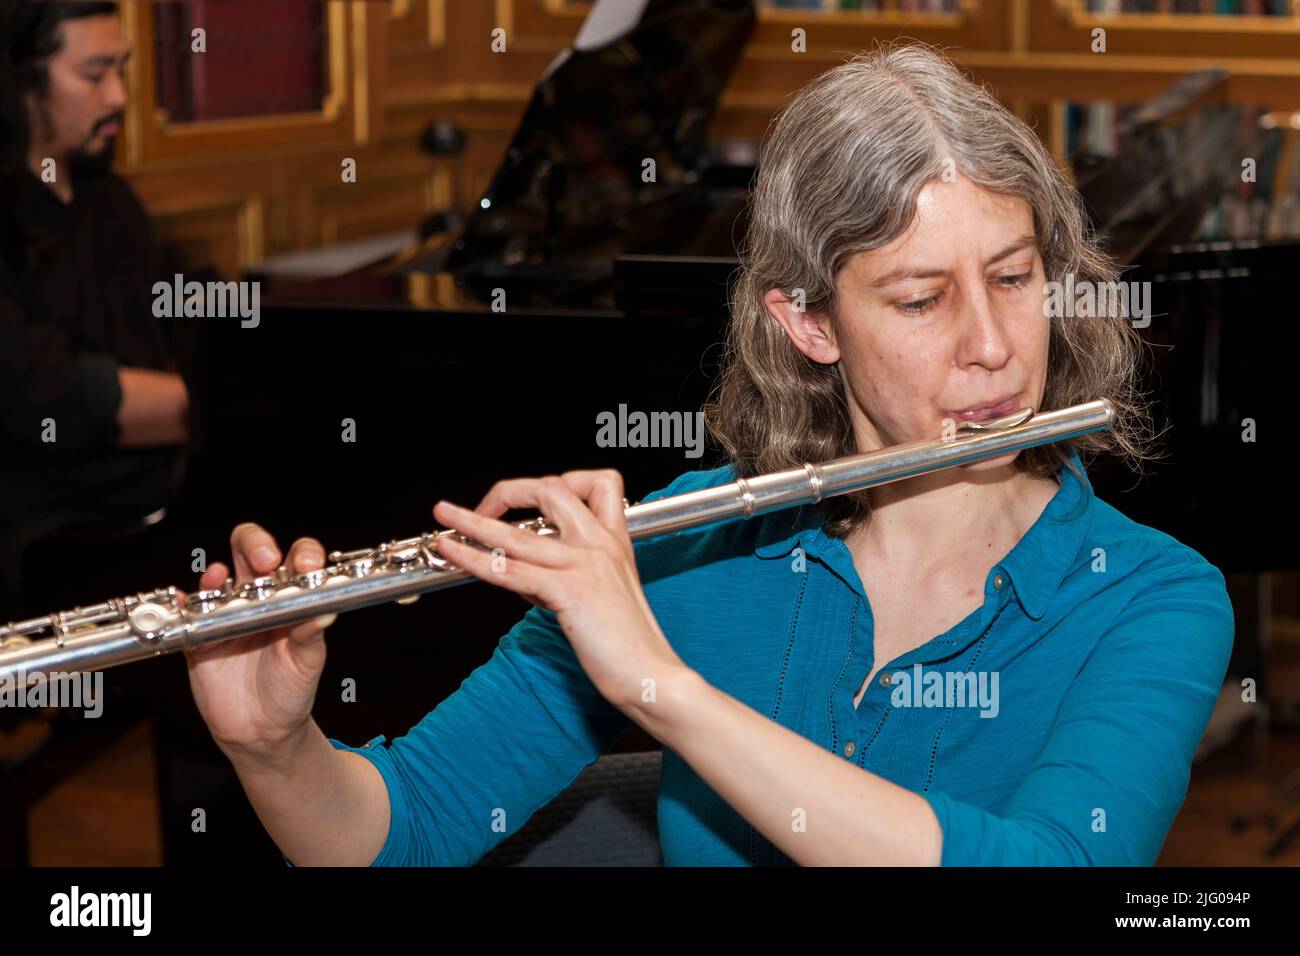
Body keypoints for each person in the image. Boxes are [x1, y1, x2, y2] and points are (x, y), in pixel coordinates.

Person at [185, 43, 1235, 866]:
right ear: (809, 324)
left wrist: (657, 684)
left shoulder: (1150, 597)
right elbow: (401, 831)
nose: (994, 345)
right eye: (921, 298)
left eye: (1012, 277)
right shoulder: (690, 548)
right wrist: (274, 746)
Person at [0, 1, 193, 622]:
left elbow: (184, 321)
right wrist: (225, 404)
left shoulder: (110, 202)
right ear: (23, 81)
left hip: (137, 494)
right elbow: (50, 395)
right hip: (41, 522)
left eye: (123, 69)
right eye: (93, 73)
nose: (117, 95)